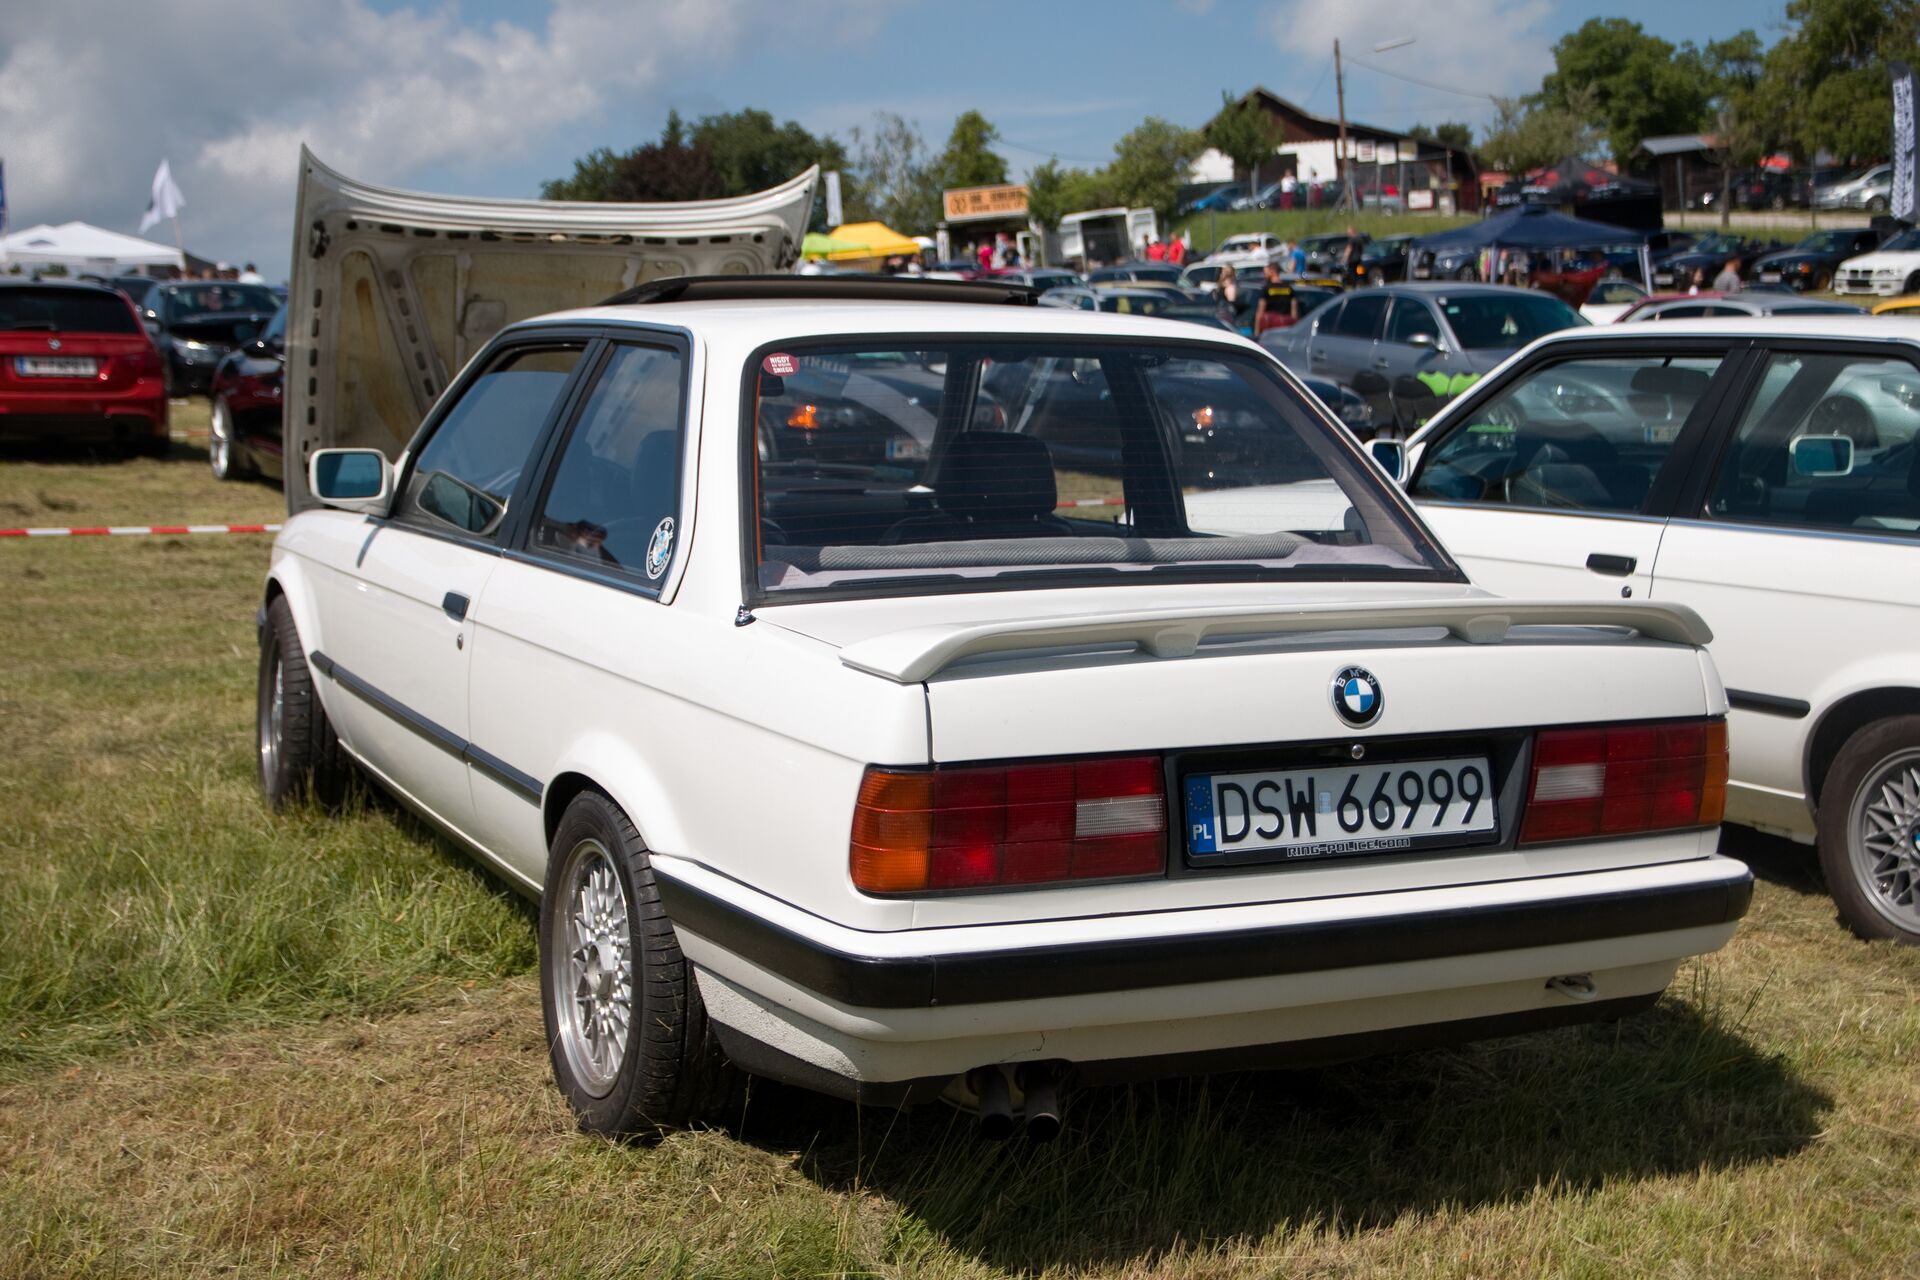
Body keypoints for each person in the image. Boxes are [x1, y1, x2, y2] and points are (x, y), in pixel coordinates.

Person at [1253, 260, 1298, 335]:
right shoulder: (1288, 288)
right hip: (1285, 328)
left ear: (1272, 271)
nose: (1264, 275)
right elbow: (1294, 312)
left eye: (1265, 272)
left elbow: (1260, 312)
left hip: (1269, 328)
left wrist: (1257, 331)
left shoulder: (1266, 288)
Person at [1215, 264, 1243, 332]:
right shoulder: (1227, 285)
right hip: (1223, 313)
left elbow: (1230, 301)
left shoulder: (1226, 286)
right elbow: (1231, 301)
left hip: (1222, 312)